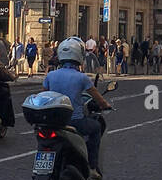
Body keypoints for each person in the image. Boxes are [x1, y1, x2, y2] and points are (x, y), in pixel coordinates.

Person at [42, 36, 113, 169]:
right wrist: (105, 105)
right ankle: (92, 165)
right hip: (74, 120)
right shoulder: (81, 77)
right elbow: (96, 96)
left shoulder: (50, 76)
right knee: (96, 128)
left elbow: (43, 95)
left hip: (53, 121)